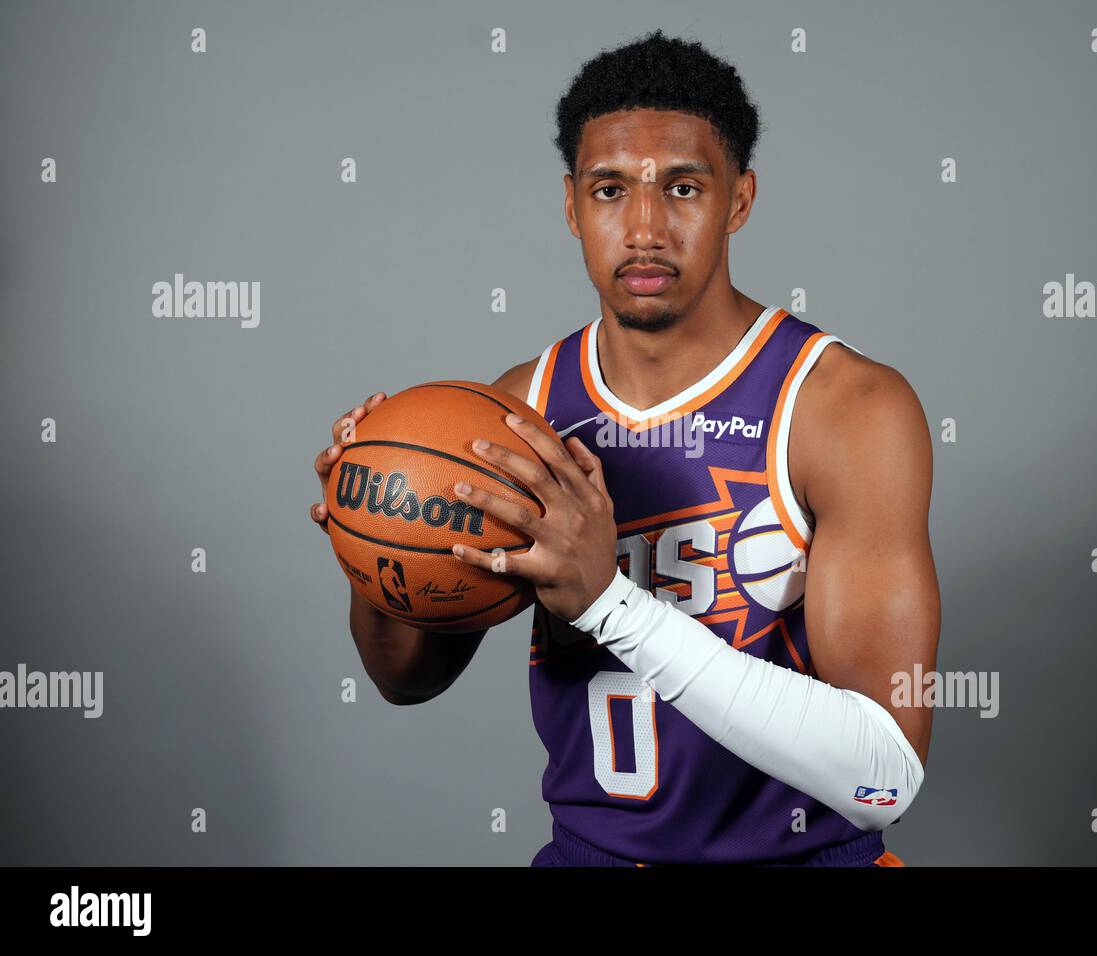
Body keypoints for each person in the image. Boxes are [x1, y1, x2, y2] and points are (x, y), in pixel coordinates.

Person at [310, 30, 940, 867]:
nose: (644, 228)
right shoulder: (520, 409)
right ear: (572, 206)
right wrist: (377, 532)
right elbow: (405, 678)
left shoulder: (845, 408)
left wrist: (608, 602)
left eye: (682, 187)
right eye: (610, 191)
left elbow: (883, 778)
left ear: (739, 200)